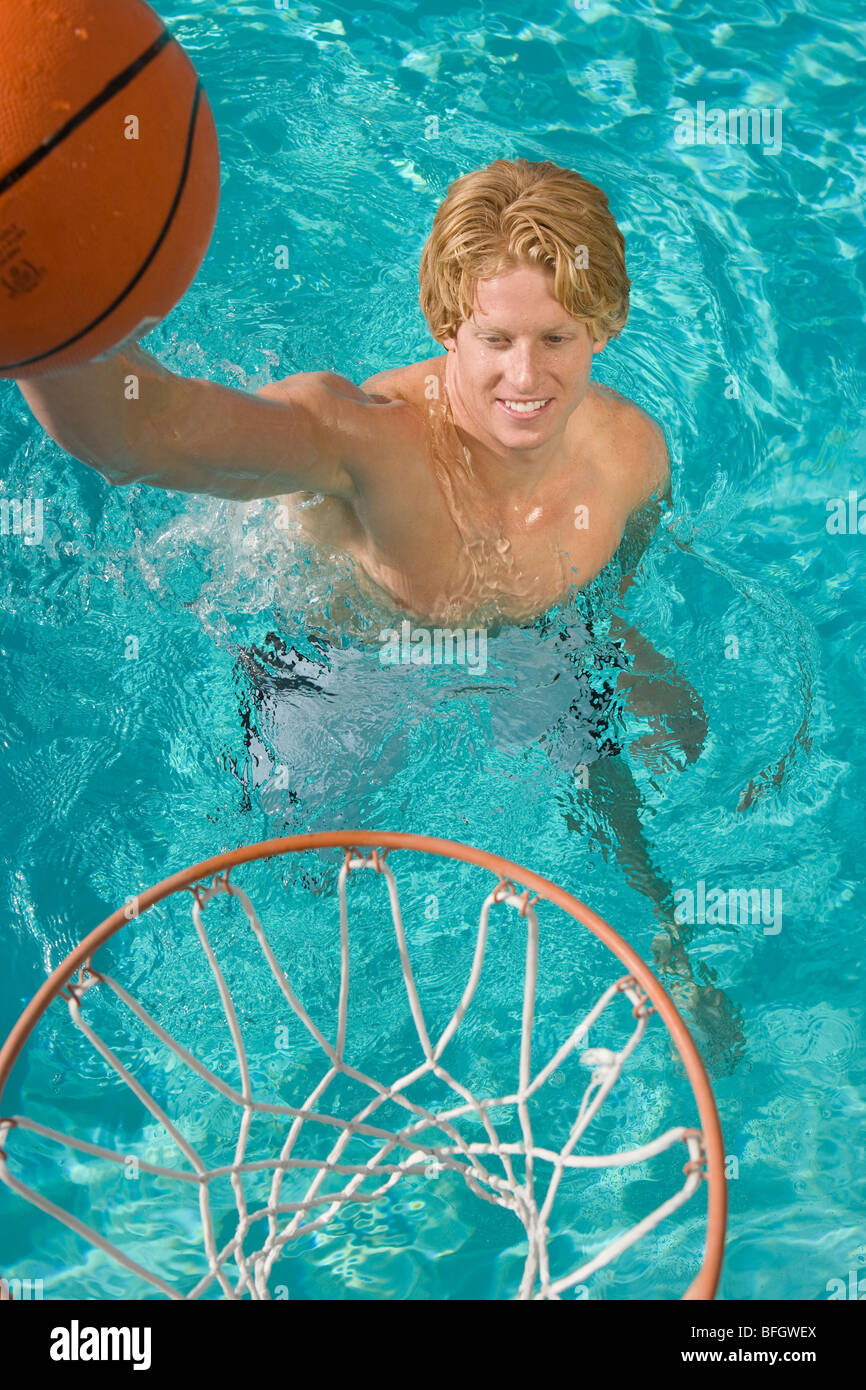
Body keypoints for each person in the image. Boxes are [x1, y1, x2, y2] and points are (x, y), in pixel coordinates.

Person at [14, 156, 740, 1067]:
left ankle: (671, 958)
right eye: (494, 339)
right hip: (341, 669)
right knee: (294, 896)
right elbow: (142, 430)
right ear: (446, 325)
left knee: (620, 807)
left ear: (603, 325)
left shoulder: (632, 455)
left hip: (529, 643)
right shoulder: (361, 437)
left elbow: (608, 590)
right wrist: (29, 299)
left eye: (557, 339)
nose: (527, 377)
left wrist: (615, 646)